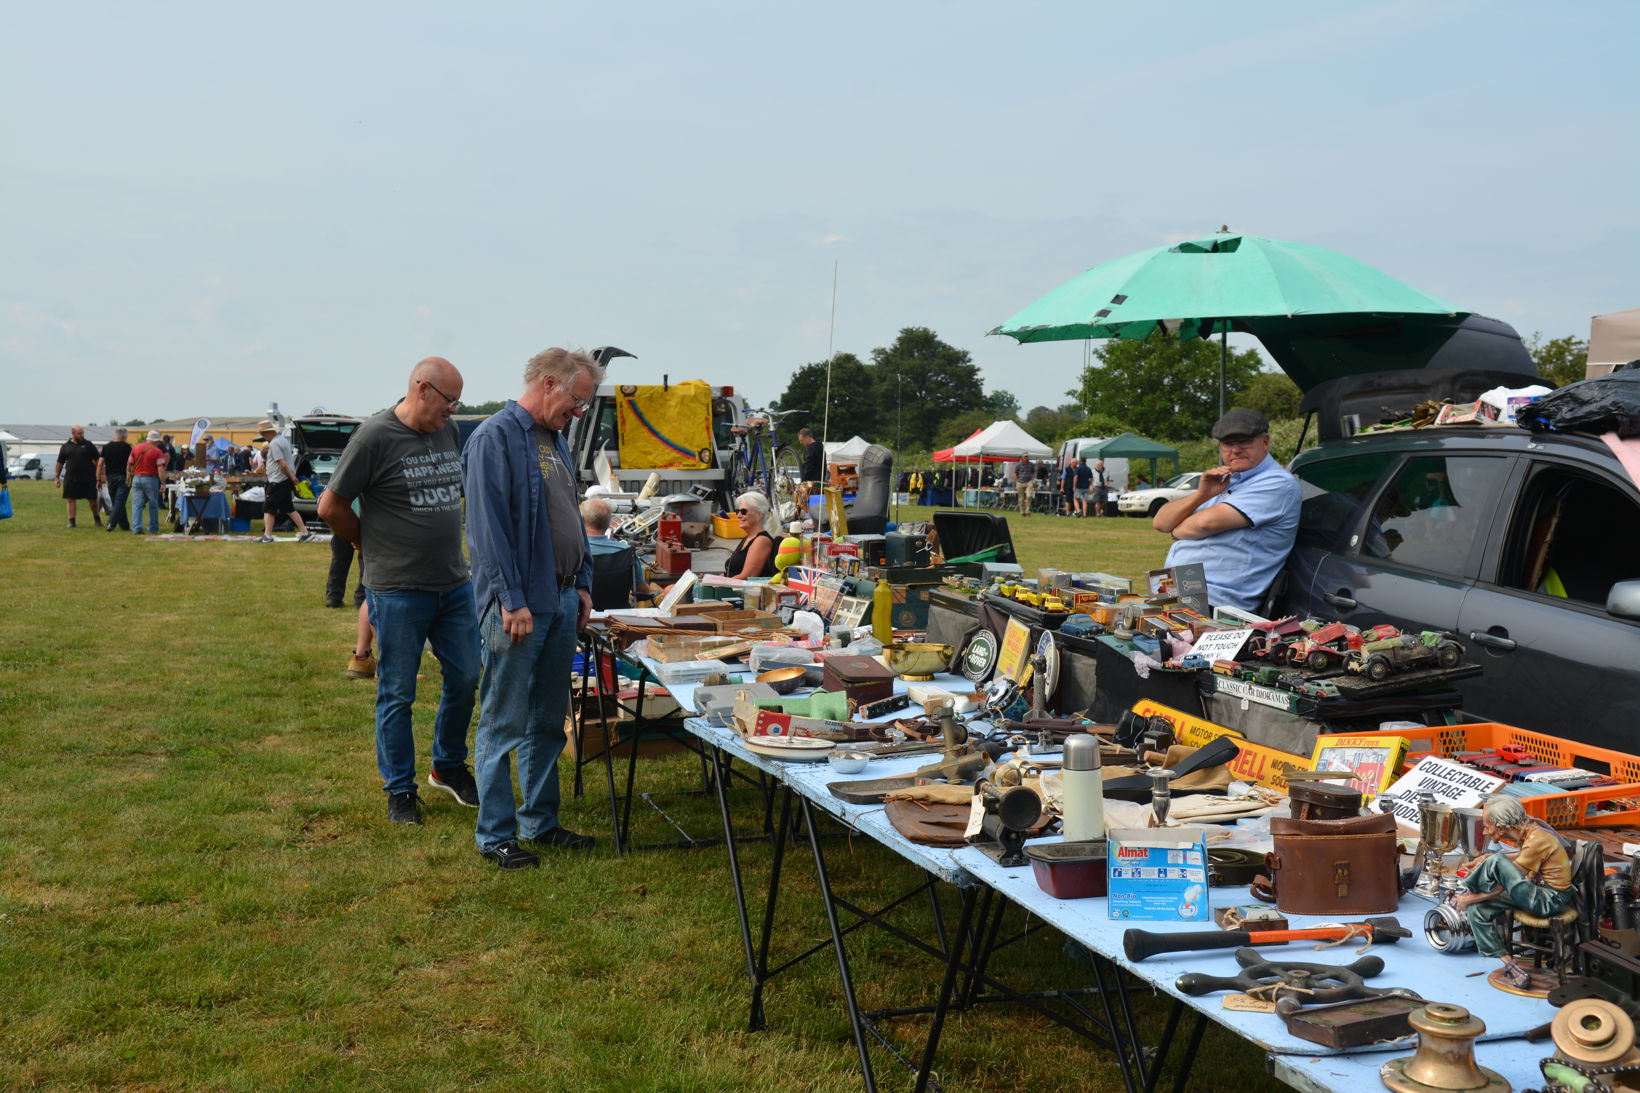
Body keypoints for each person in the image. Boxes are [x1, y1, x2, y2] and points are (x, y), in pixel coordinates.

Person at [318, 357, 482, 826]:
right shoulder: (375, 436)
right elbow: (331, 504)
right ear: (422, 388)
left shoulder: (445, 431)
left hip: (453, 583)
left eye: (456, 403)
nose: (452, 411)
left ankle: (447, 765)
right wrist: (362, 540)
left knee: (468, 675)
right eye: (448, 401)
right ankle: (400, 791)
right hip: (397, 590)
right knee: (398, 692)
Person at [465, 347, 603, 868]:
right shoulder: (494, 438)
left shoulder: (557, 441)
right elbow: (486, 531)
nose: (578, 413)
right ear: (549, 383)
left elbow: (572, 517)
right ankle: (496, 834)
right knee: (503, 719)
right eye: (576, 401)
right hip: (520, 606)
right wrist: (511, 599)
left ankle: (539, 822)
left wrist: (583, 584)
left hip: (563, 598)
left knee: (549, 720)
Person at [1152, 408, 1301, 612]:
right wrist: (1201, 494)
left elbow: (1205, 523)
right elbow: (1161, 522)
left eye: (1244, 441)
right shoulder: (1225, 480)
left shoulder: (1276, 483)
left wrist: (1176, 529)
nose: (1235, 450)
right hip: (1177, 587)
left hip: (1216, 601)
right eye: (1228, 444)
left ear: (1265, 442)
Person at [1455, 795, 1574, 991]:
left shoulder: (1539, 837)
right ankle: (1511, 966)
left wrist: (1469, 898)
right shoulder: (1527, 833)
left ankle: (1466, 891)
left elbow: (1505, 884)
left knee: (1494, 863)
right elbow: (1519, 857)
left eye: (1486, 826)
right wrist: (1485, 858)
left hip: (1549, 900)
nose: (1484, 831)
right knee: (1477, 911)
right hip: (1534, 891)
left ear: (1501, 826)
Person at [582, 496, 654, 605]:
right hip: (618, 617)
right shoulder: (627, 553)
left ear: (582, 520)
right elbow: (643, 590)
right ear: (609, 523)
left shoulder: (573, 552)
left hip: (582, 615)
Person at [256, 420, 314, 543]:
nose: (262, 436)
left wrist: (292, 477)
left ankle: (267, 536)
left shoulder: (274, 444)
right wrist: (291, 477)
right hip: (284, 480)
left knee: (269, 508)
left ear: (266, 433)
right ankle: (305, 532)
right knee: (288, 508)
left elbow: (282, 464)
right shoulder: (283, 441)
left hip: (277, 481)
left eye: (262, 433)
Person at [55, 425, 102, 528]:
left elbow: (98, 460)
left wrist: (100, 475)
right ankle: (71, 521)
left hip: (88, 477)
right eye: (79, 433)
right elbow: (59, 462)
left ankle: (97, 520)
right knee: (70, 499)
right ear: (73, 433)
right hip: (71, 477)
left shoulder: (88, 445)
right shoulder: (65, 446)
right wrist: (56, 477)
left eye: (82, 433)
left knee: (92, 500)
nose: (82, 435)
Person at [726, 491, 777, 578]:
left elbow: (747, 577)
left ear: (759, 515)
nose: (738, 515)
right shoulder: (749, 537)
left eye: (743, 511)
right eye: (737, 511)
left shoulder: (761, 541)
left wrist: (718, 582)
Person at [128, 430, 168, 535]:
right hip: (150, 479)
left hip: (136, 478)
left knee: (137, 505)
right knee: (153, 504)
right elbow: (160, 469)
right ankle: (153, 528)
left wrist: (129, 475)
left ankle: (137, 528)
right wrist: (163, 483)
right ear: (157, 441)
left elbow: (129, 464)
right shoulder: (158, 452)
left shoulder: (135, 448)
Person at [99, 428, 134, 533]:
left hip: (110, 477)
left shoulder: (106, 447)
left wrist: (98, 477)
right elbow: (131, 462)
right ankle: (111, 523)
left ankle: (125, 526)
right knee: (119, 502)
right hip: (123, 477)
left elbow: (100, 463)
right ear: (124, 436)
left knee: (117, 502)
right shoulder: (127, 447)